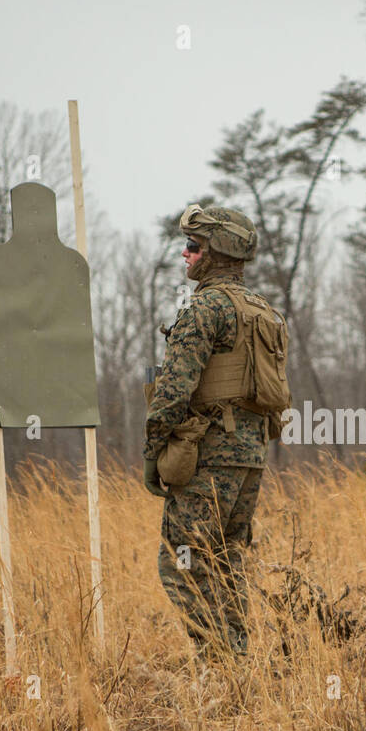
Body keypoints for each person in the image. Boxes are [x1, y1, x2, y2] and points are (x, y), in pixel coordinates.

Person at [142, 204, 288, 660]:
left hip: (206, 457)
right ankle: (237, 663)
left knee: (182, 563)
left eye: (193, 247)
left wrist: (152, 452)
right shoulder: (263, 311)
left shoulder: (203, 308)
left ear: (215, 254)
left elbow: (174, 388)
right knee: (226, 561)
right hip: (250, 458)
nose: (185, 255)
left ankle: (220, 661)